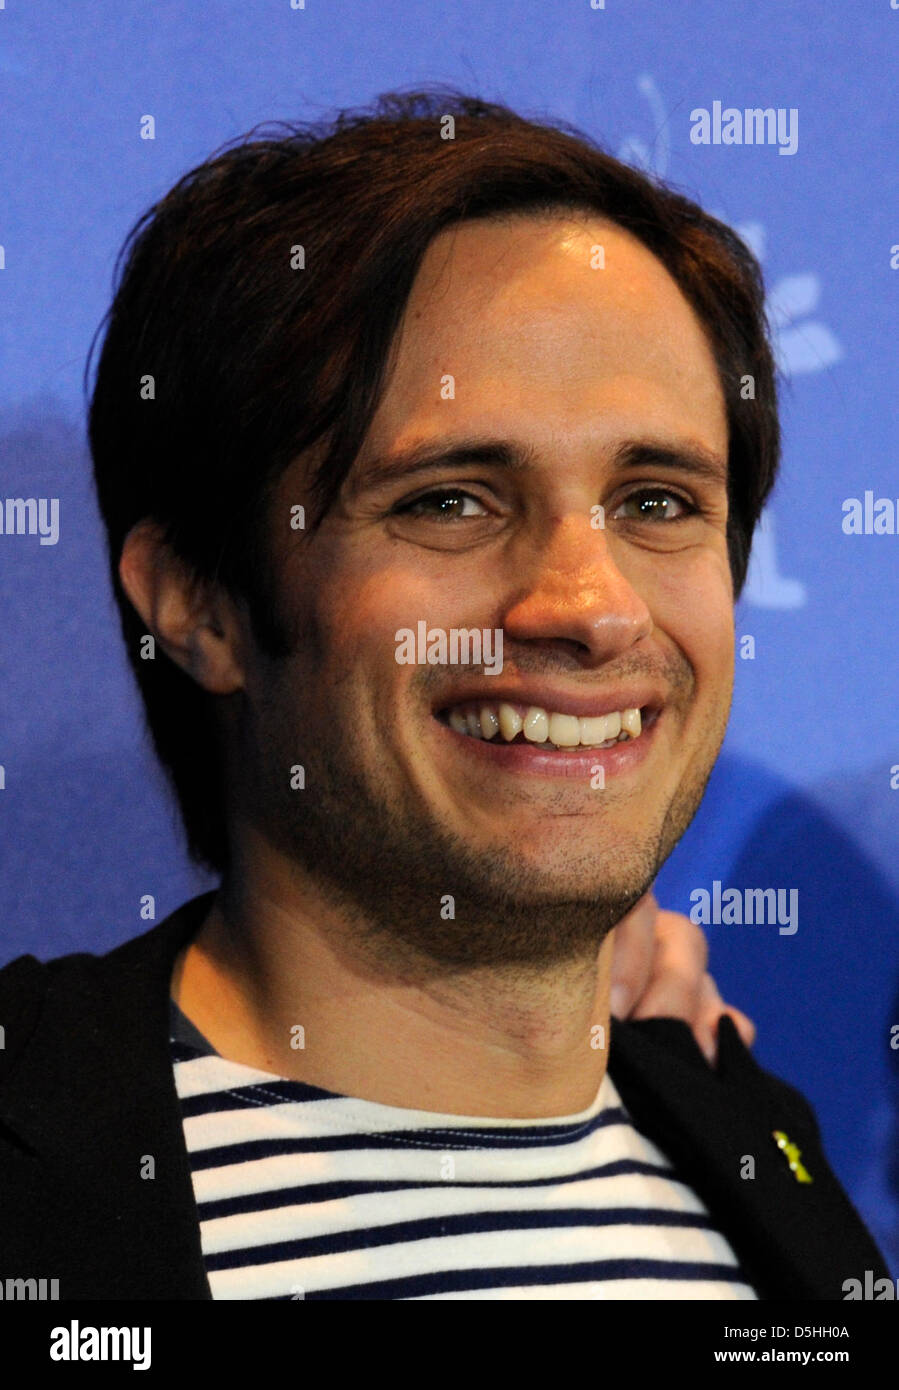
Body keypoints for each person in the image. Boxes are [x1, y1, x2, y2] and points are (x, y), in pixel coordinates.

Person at [0, 89, 887, 1301]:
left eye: (655, 501)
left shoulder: (764, 1163)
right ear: (198, 602)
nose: (590, 605)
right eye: (449, 500)